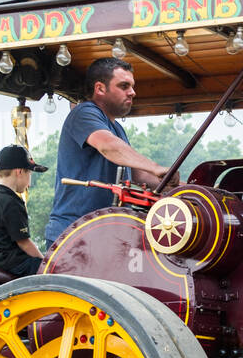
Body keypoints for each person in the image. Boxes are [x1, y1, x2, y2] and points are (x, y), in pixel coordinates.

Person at [43, 57, 176, 247]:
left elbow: (138, 174)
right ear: (100, 89)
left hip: (102, 233)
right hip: (75, 233)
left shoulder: (117, 129)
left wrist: (182, 188)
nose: (132, 92)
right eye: (124, 86)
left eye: (132, 86)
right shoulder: (83, 113)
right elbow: (107, 146)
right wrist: (156, 167)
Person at [0, 144, 48, 277]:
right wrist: (45, 263)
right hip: (8, 260)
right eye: (29, 173)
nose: (29, 183)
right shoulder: (11, 202)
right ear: (19, 172)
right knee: (44, 268)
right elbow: (24, 242)